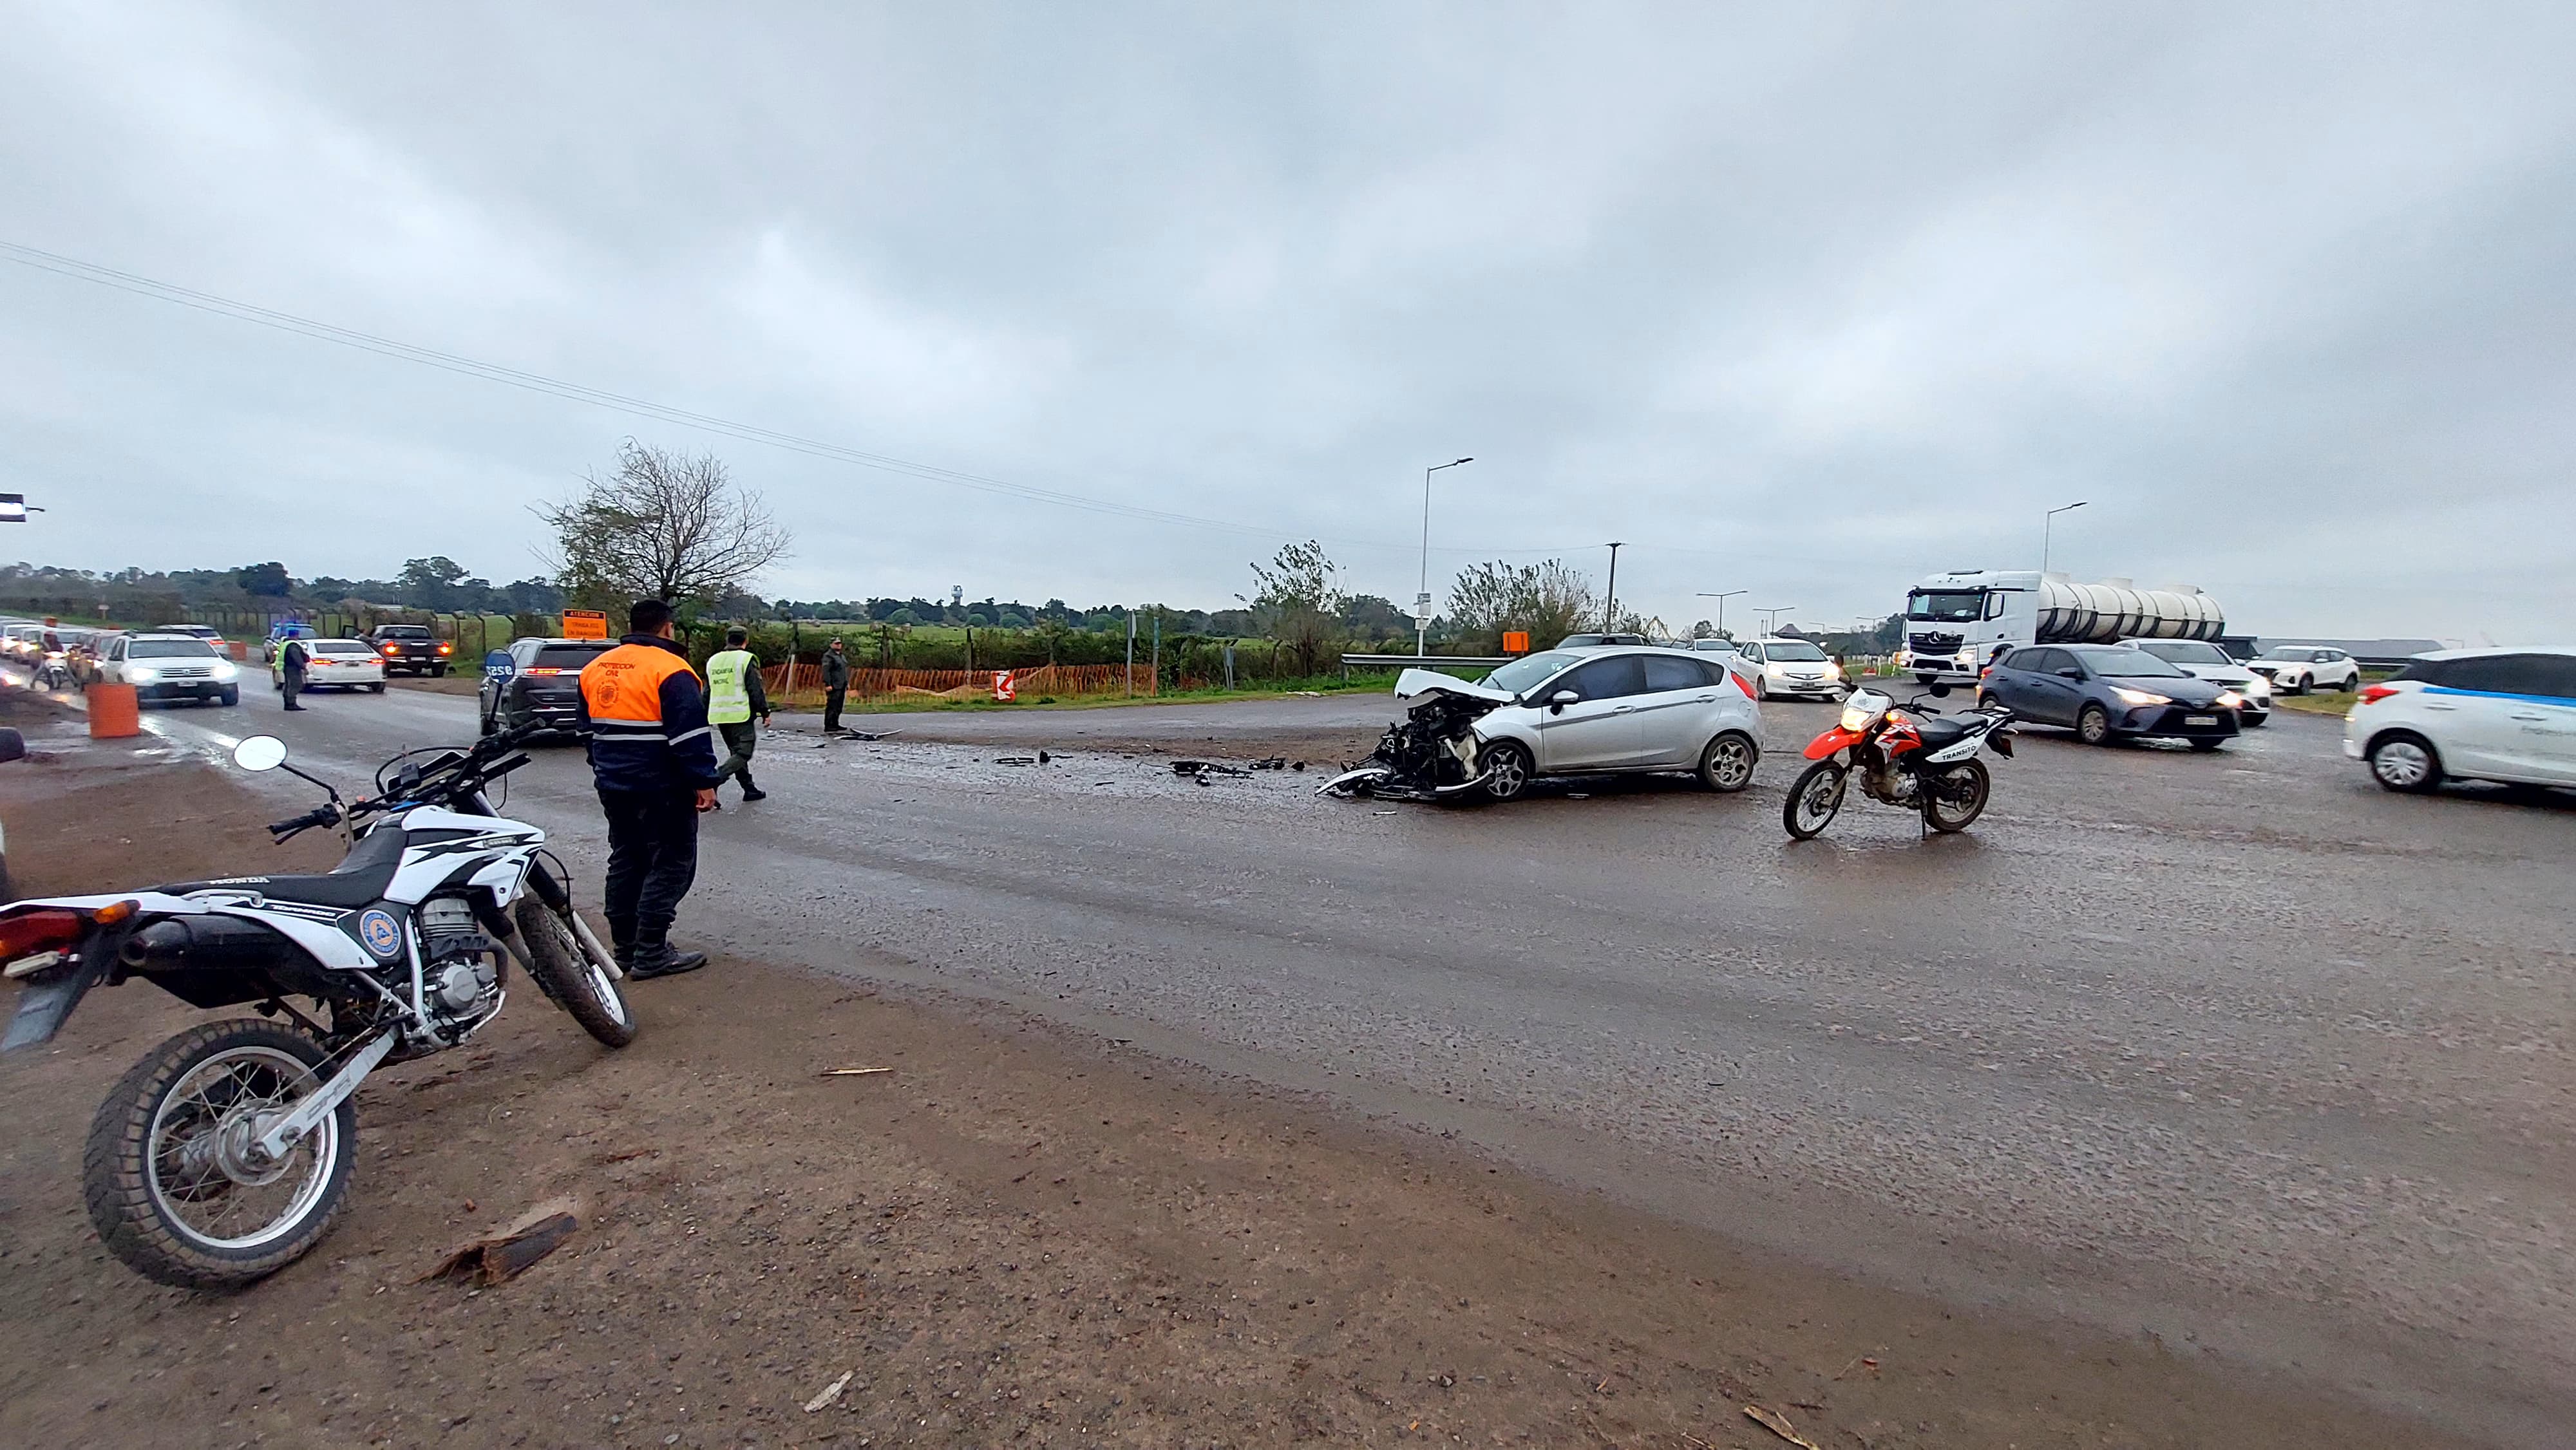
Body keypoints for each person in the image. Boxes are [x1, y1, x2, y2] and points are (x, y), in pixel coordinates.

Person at [574, 599, 721, 979]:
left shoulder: (595, 668)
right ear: (667, 628)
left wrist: (605, 767)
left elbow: (587, 732)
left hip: (613, 783)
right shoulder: (672, 670)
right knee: (672, 863)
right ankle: (652, 952)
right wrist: (704, 781)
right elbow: (689, 735)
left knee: (627, 859)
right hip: (663, 786)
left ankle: (624, 949)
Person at [705, 625, 771, 802]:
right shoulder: (746, 659)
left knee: (736, 753)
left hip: (719, 715)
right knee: (744, 753)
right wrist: (765, 711)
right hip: (740, 714)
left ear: (727, 640)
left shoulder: (713, 660)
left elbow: (707, 691)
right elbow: (755, 688)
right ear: (745, 640)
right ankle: (715, 780)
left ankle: (749, 789)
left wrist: (702, 715)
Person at [821, 638, 851, 734]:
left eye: (840, 643)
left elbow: (844, 671)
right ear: (831, 645)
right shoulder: (828, 656)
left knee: (839, 706)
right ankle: (829, 725)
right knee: (832, 706)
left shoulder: (841, 656)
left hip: (841, 684)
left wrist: (847, 682)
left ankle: (835, 724)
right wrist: (828, 684)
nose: (838, 645)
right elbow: (826, 671)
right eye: (836, 644)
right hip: (834, 685)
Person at [278, 636, 310, 711]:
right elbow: (296, 656)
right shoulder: (293, 645)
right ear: (296, 636)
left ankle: (288, 703)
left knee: (289, 685)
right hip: (293, 668)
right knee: (295, 685)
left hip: (287, 667)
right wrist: (303, 666)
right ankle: (291, 703)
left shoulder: (285, 644)